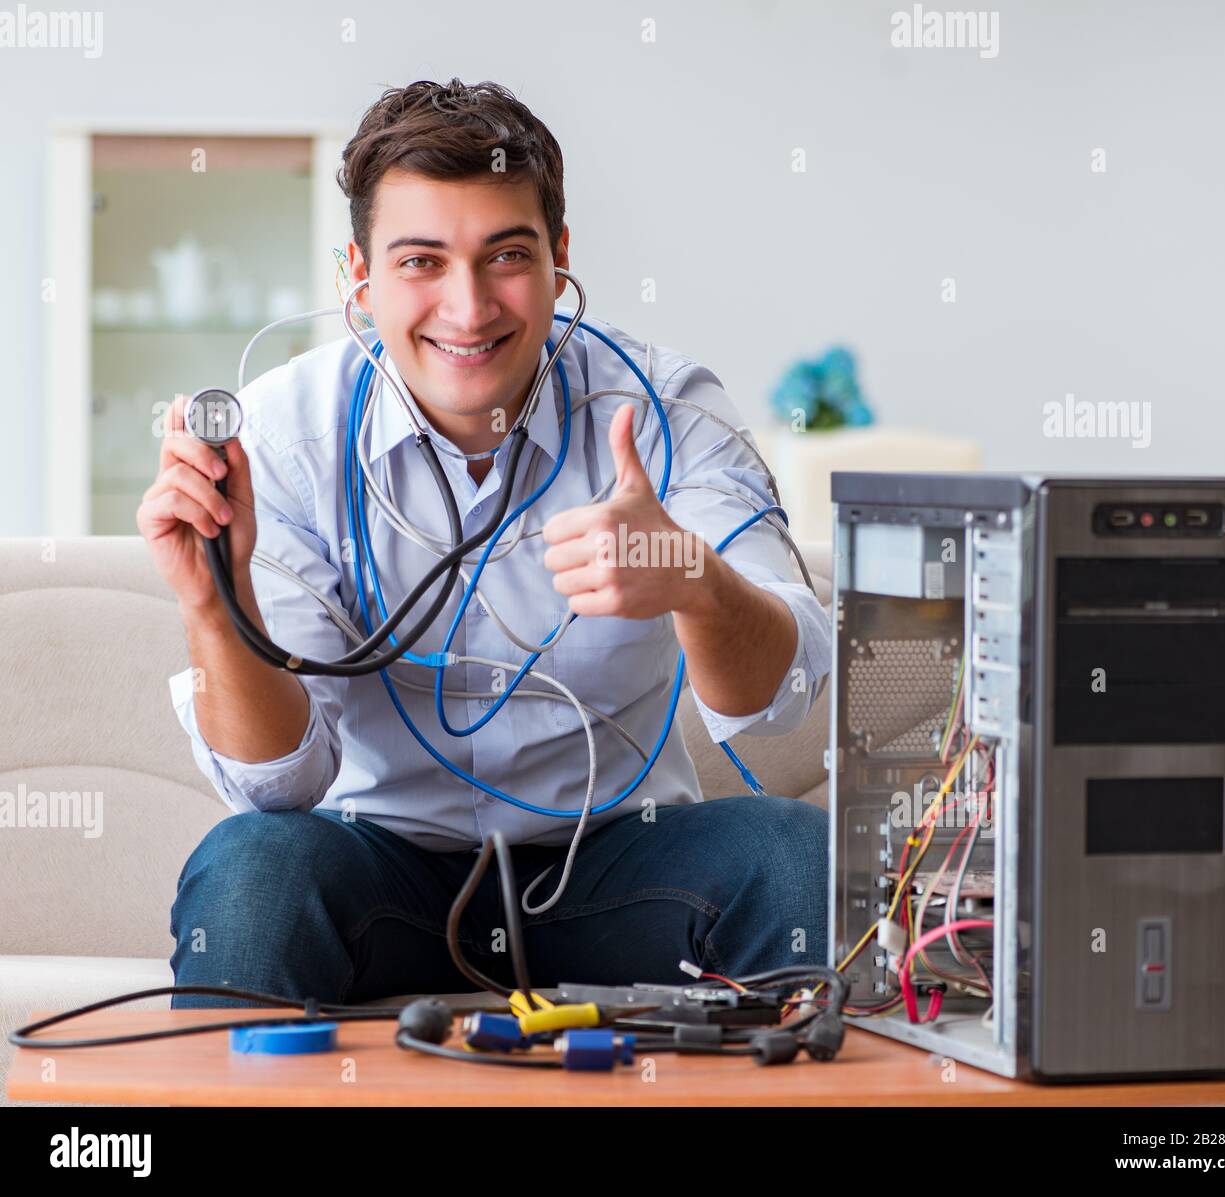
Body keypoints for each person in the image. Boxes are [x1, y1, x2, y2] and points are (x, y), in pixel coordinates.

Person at [136, 78, 832, 1009]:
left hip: (617, 864)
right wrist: (215, 606)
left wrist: (693, 580)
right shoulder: (280, 438)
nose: (468, 310)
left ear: (559, 258)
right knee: (254, 866)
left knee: (794, 857)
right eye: (421, 261)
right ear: (360, 276)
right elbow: (280, 780)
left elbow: (776, 702)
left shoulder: (665, 410)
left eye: (506, 255)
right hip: (382, 868)